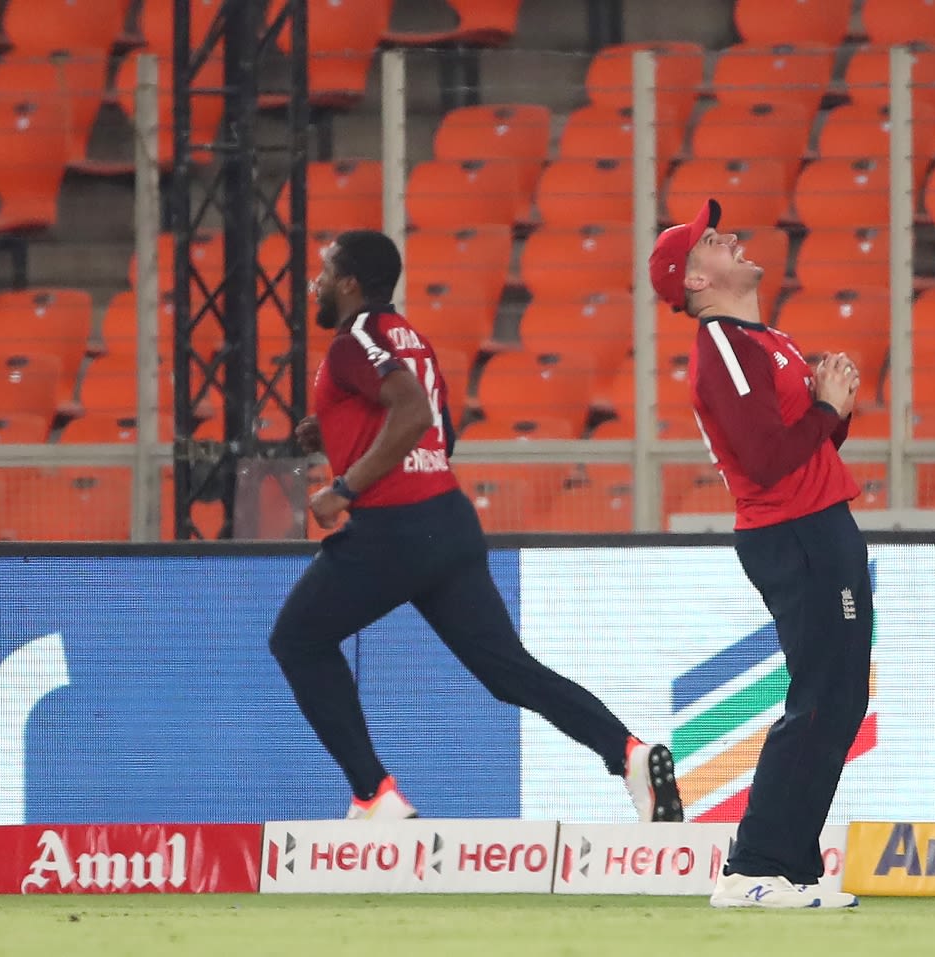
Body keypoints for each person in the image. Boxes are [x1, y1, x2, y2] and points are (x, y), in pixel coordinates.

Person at [270, 228, 682, 824]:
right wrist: (336, 428)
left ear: (351, 283)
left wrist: (345, 486)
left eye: (326, 270)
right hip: (448, 523)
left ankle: (374, 795)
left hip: (392, 529)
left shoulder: (354, 340)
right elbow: (440, 433)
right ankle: (630, 756)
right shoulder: (410, 337)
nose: (316, 282)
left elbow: (410, 413)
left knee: (298, 640)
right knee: (508, 671)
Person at [648, 200, 871, 909]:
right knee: (821, 694)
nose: (734, 238)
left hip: (817, 521)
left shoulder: (762, 338)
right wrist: (829, 410)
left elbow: (799, 449)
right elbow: (770, 459)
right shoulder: (723, 347)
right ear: (694, 282)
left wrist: (829, 412)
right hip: (795, 531)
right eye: (713, 241)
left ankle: (793, 865)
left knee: (840, 695)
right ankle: (753, 868)